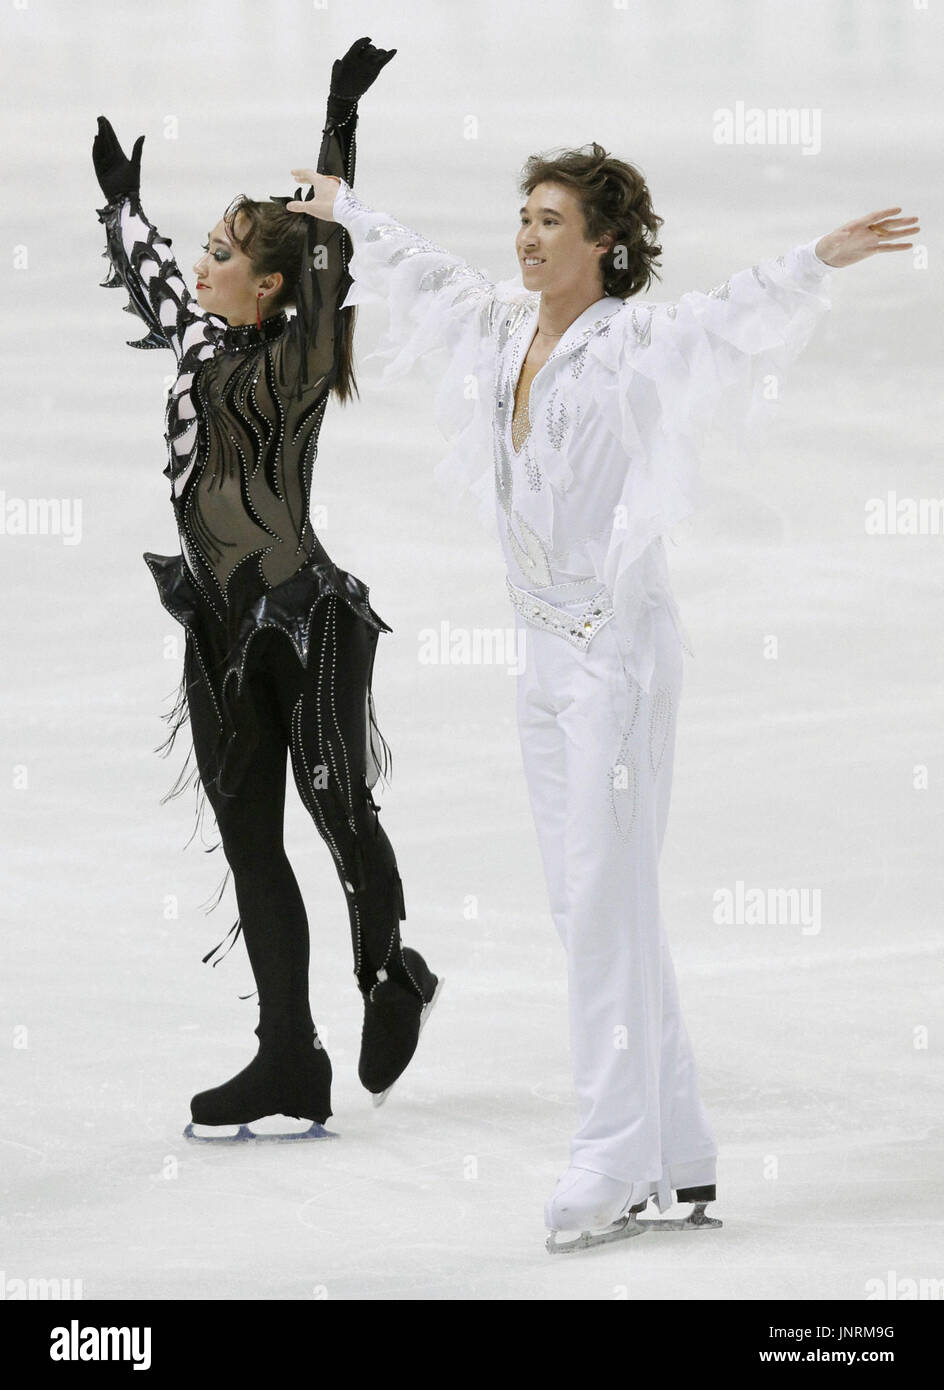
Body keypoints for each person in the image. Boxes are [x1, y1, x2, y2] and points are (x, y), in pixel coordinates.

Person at [286, 145, 918, 1243]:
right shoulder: (499, 328)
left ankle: (611, 1155)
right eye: (523, 216)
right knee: (594, 902)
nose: (528, 236)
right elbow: (415, 269)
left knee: (600, 902)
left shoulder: (630, 345)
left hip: (617, 665)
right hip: (541, 660)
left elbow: (725, 315)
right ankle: (675, 1143)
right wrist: (348, 208)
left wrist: (818, 256)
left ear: (605, 245)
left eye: (552, 222)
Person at [92, 37, 441, 1137]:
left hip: (306, 619)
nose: (201, 266)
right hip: (218, 628)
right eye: (203, 251)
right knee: (249, 837)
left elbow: (329, 232)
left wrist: (337, 112)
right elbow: (155, 279)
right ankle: (286, 1054)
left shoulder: (299, 355)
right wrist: (123, 205)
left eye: (221, 253)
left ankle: (391, 972)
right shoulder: (200, 340)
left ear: (274, 283)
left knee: (338, 805)